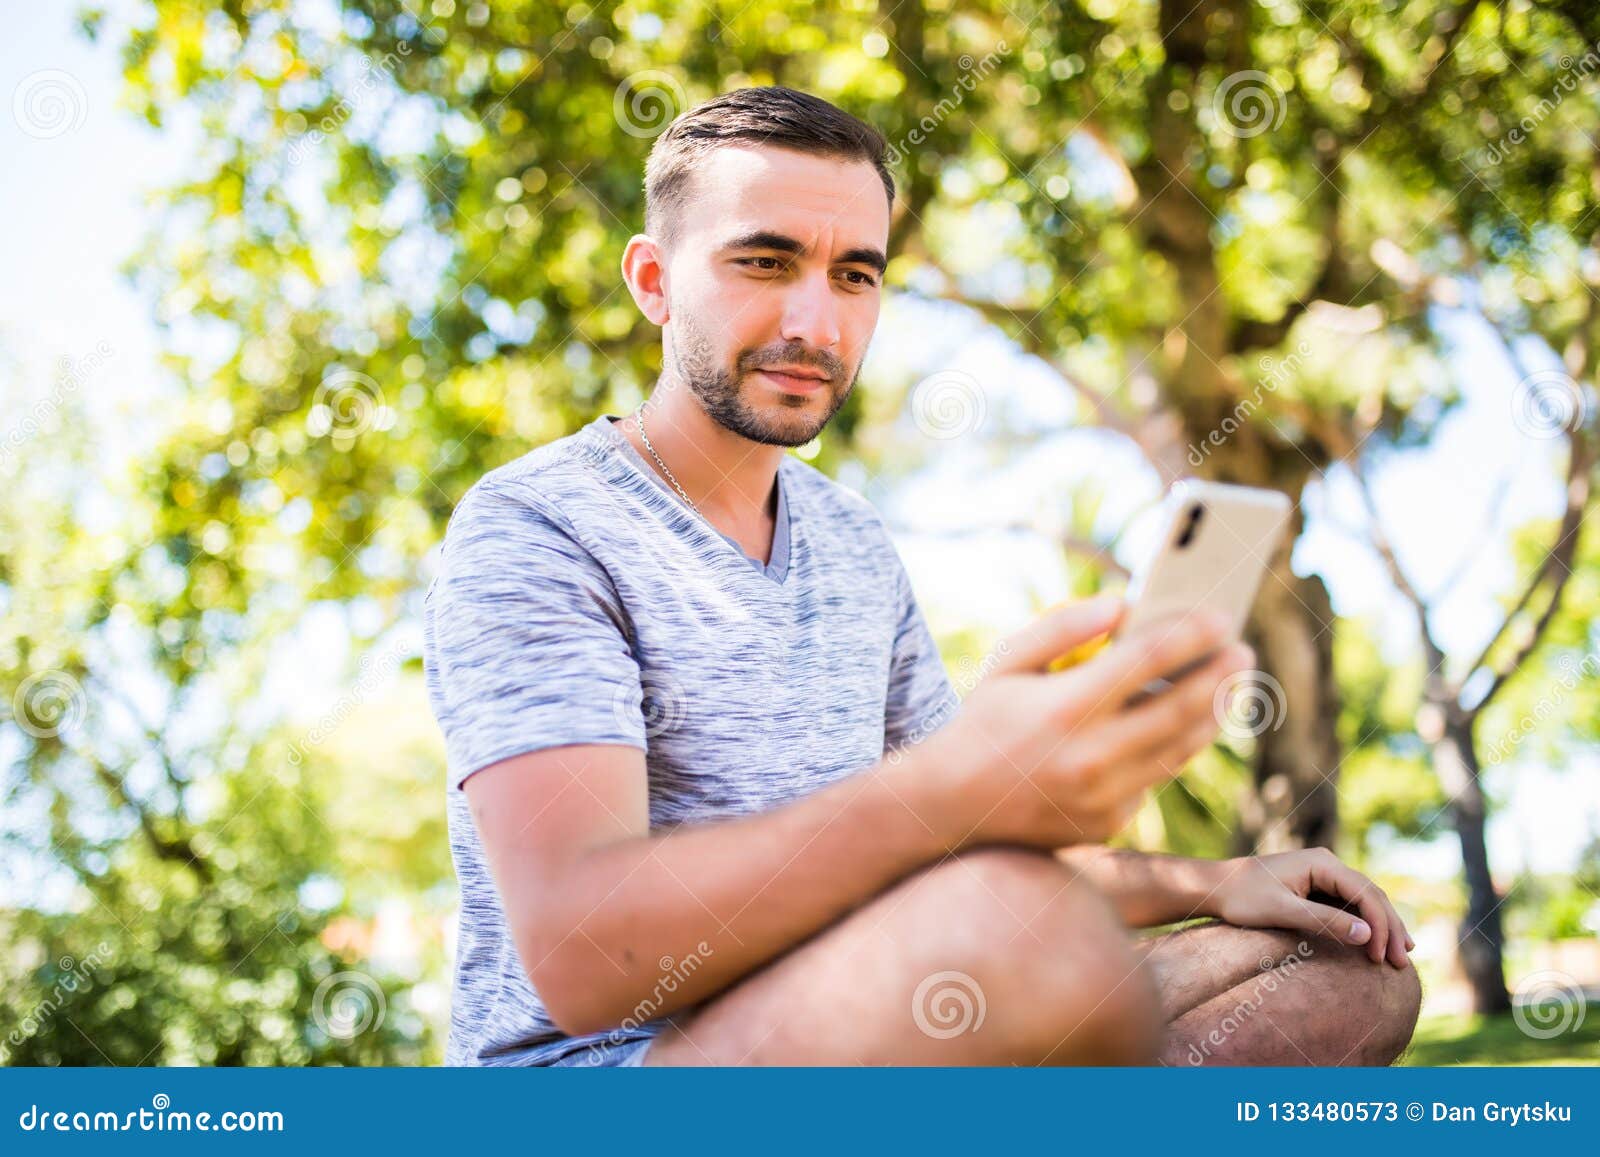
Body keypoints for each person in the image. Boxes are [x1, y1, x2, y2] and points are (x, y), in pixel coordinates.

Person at [422, 85, 1421, 1067]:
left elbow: (956, 842)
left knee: (1344, 965)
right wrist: (948, 790)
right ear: (652, 278)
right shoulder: (537, 525)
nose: (815, 324)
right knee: (1015, 937)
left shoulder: (849, 540)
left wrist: (1216, 877)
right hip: (617, 1072)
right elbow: (583, 956)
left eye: (855, 276)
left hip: (892, 1016)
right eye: (763, 262)